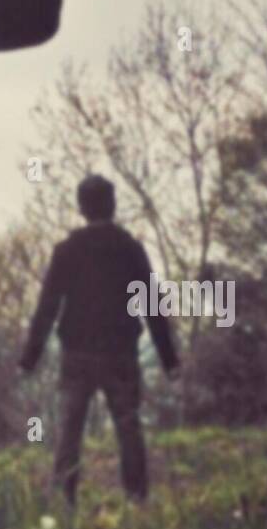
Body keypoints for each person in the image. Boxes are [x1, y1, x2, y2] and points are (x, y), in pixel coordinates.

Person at [18, 174, 179, 506]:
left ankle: (65, 505)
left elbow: (47, 308)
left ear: (81, 207)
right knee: (128, 427)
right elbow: (151, 307)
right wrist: (169, 360)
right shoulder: (130, 249)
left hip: (76, 353)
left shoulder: (66, 251)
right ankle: (137, 501)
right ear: (113, 205)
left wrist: (29, 359)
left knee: (69, 432)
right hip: (120, 352)